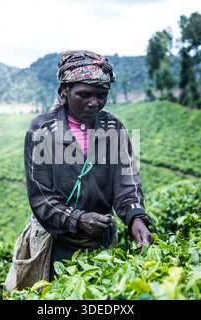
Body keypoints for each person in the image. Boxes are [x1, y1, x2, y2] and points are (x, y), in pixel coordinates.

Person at [24, 50, 153, 281]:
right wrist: (78, 219)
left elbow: (126, 181)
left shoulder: (113, 127)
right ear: (65, 91)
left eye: (101, 95)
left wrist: (135, 217)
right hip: (58, 243)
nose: (94, 103)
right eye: (84, 94)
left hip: (101, 238)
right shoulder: (42, 130)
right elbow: (41, 198)